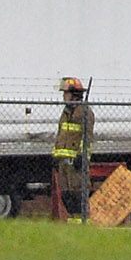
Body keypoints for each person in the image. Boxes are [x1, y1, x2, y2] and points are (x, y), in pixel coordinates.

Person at [48, 78, 95, 221]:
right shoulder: (66, 112)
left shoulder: (85, 112)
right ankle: (73, 222)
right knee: (66, 195)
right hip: (63, 163)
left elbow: (87, 137)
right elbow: (60, 134)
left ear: (74, 94)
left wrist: (82, 156)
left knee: (78, 194)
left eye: (66, 93)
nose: (64, 96)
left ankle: (83, 223)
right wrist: (55, 154)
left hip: (76, 164)